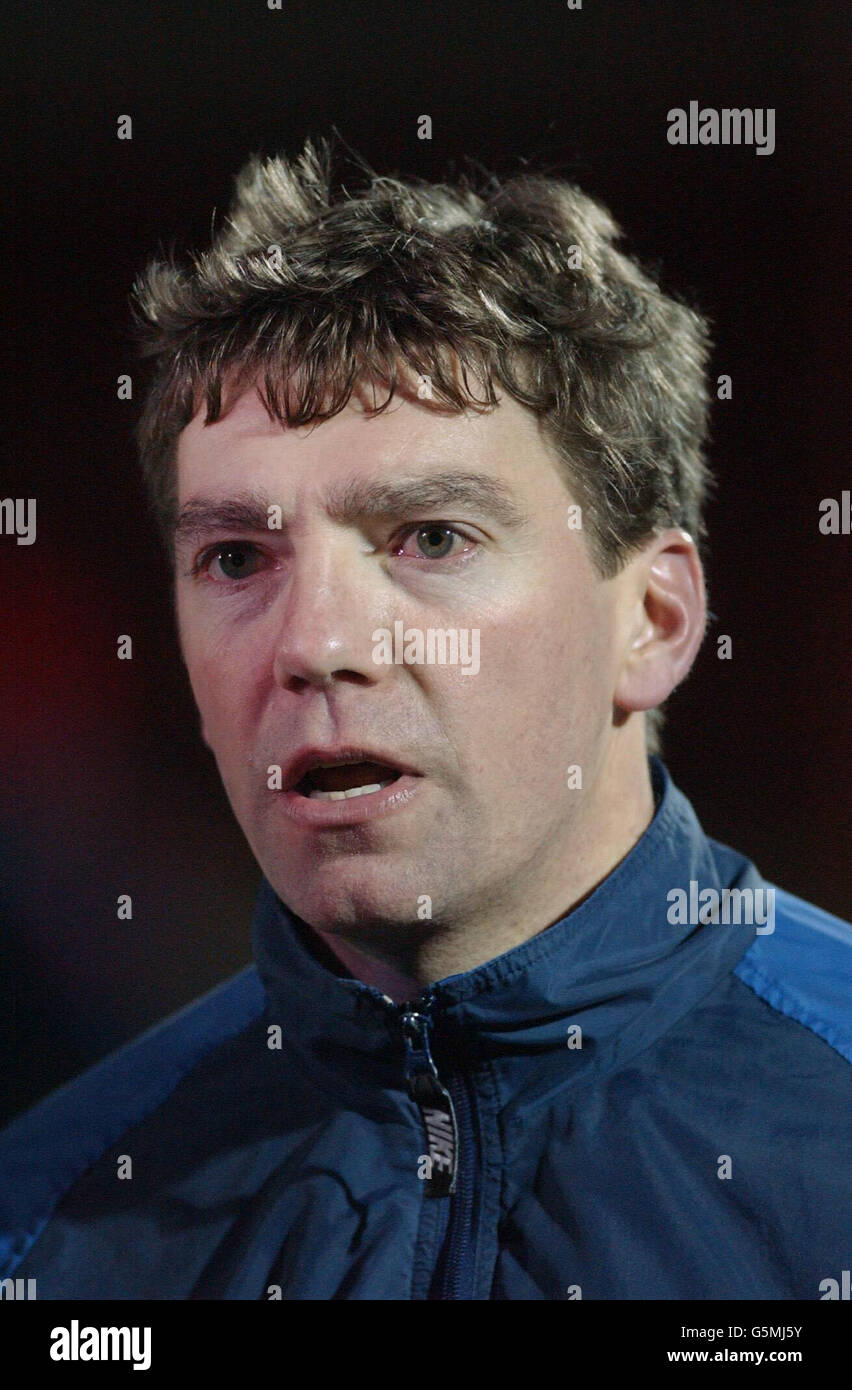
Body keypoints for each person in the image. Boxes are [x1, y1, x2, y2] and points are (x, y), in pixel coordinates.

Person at [1, 137, 849, 1301]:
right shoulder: (45, 1228)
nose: (313, 645)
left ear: (652, 619)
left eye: (431, 538)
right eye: (238, 556)